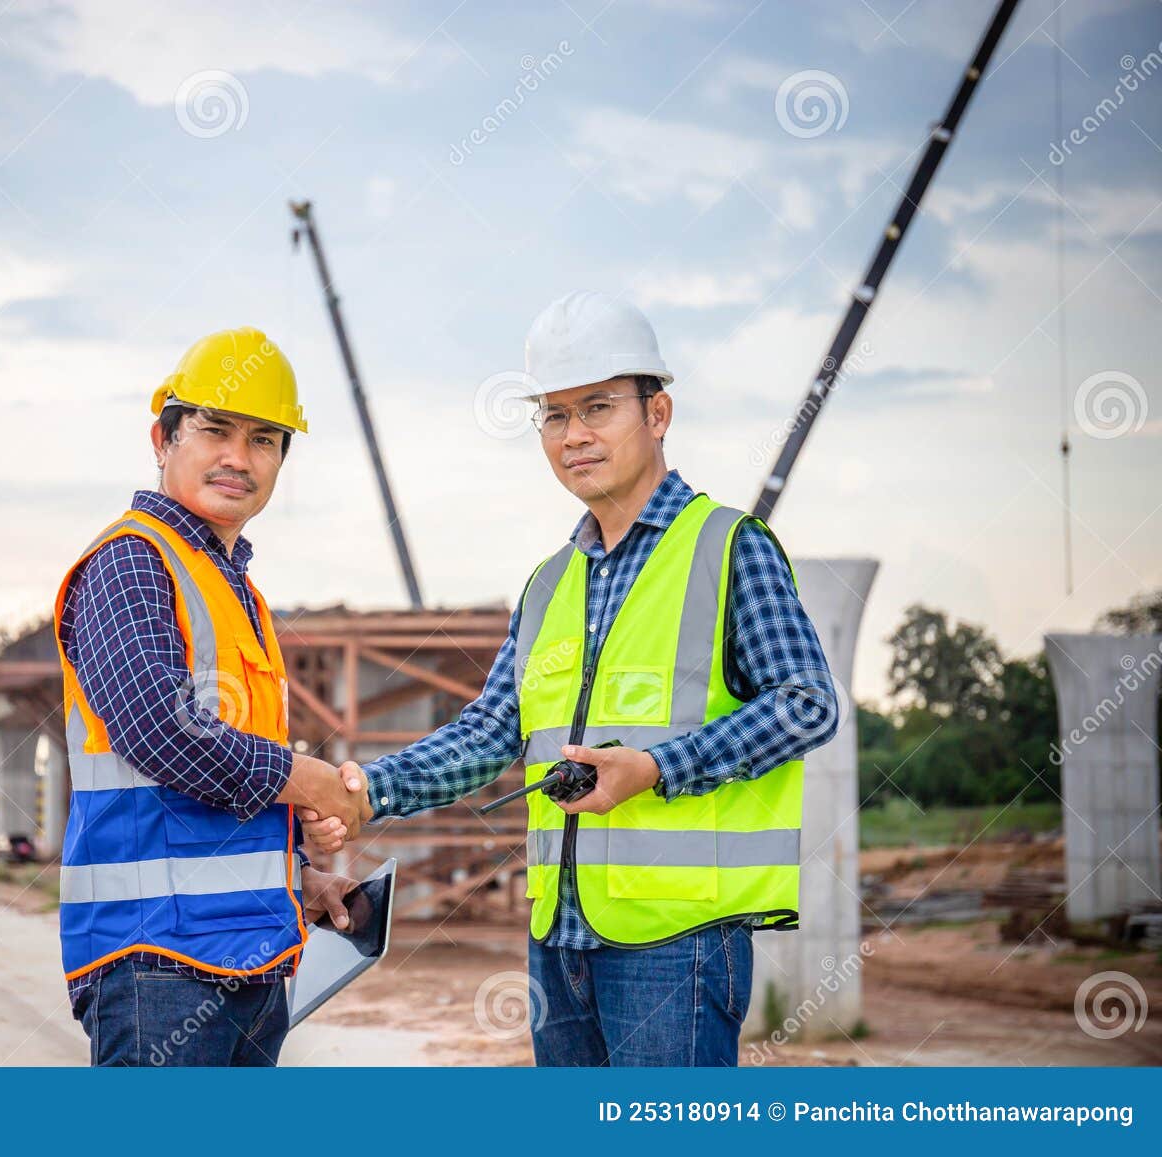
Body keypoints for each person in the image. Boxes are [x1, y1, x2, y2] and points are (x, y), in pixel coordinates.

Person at [349, 291, 840, 1067]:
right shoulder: (549, 584)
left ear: (658, 413)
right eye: (554, 415)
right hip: (559, 942)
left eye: (598, 408)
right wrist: (364, 789)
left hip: (677, 945)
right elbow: (489, 732)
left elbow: (807, 704)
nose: (574, 436)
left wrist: (656, 768)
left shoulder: (727, 547)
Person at [56, 327, 365, 1067]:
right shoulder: (132, 561)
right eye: (215, 429)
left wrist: (299, 876)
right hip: (155, 962)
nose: (239, 456)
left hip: (252, 958)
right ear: (162, 438)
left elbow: (215, 792)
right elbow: (159, 729)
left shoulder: (242, 595)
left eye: (264, 438)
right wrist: (311, 779)